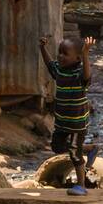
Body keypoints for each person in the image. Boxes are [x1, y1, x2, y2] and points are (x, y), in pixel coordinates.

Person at [39, 34, 92, 194]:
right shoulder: (60, 71)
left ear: (77, 58)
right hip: (62, 122)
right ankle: (89, 149)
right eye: (59, 52)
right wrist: (42, 48)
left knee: (75, 154)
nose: (61, 56)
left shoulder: (79, 74)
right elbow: (49, 64)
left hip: (77, 123)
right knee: (57, 147)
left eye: (65, 54)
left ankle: (81, 186)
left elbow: (86, 76)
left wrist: (86, 55)